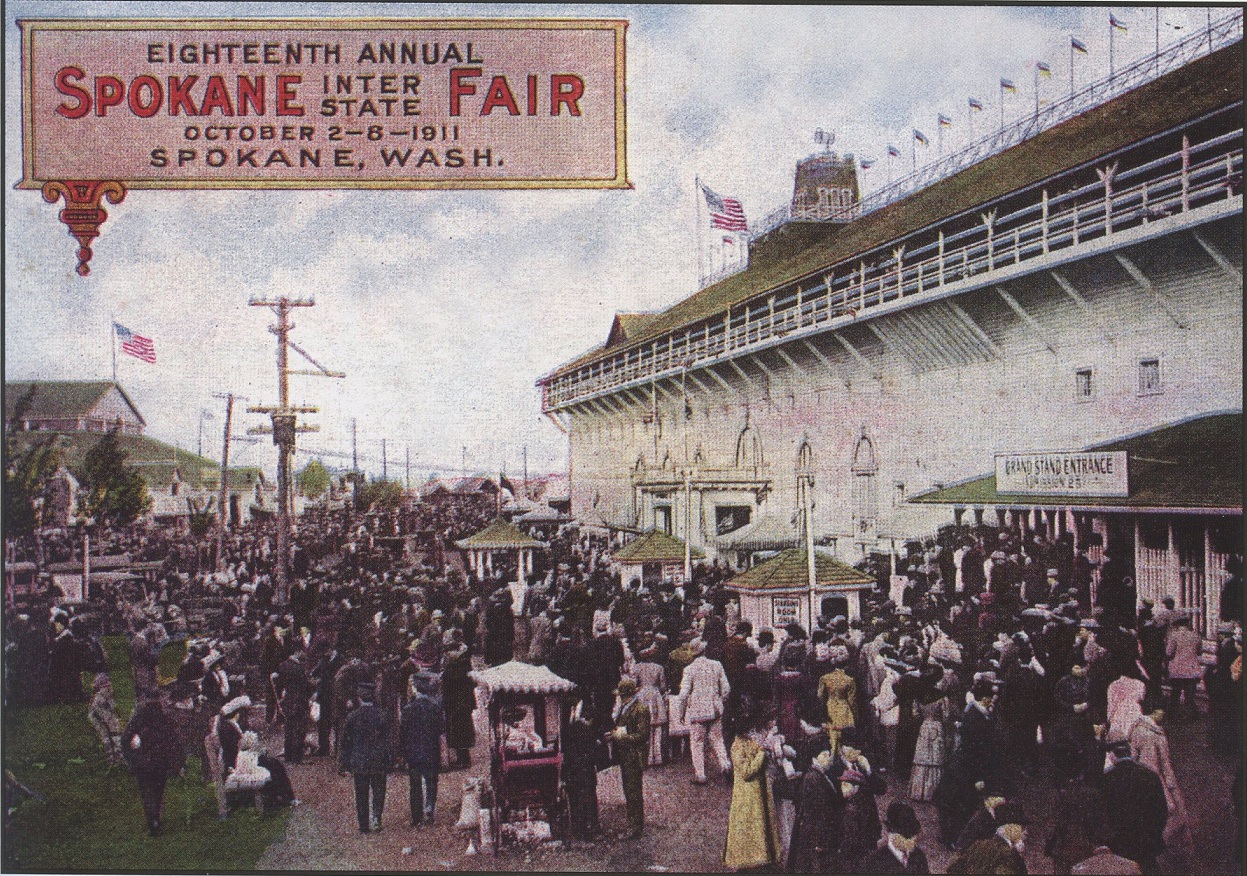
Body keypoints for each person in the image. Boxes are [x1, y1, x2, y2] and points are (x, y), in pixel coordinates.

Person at [723, 708, 782, 871]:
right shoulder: (737, 746)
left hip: (757, 791)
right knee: (751, 826)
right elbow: (747, 771)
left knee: (759, 825)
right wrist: (762, 751)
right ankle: (750, 859)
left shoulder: (748, 742)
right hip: (747, 794)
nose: (752, 732)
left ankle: (760, 858)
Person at [1098, 740, 1168, 873]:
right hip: (1148, 840)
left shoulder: (1105, 780)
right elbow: (1161, 811)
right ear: (1130, 752)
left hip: (1121, 843)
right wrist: (1154, 833)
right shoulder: (1150, 775)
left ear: (1112, 755)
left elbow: (1104, 814)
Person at [122, 692, 184, 836]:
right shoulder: (164, 720)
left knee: (147, 792)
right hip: (160, 763)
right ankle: (156, 817)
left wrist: (130, 760)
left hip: (142, 764)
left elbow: (125, 740)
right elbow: (174, 742)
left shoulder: (137, 721)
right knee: (158, 791)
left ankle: (153, 821)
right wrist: (177, 764)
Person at [676, 638, 731, 784]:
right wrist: (720, 700)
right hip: (714, 708)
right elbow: (726, 689)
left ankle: (700, 775)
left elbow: (683, 694)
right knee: (717, 739)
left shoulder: (689, 670)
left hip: (697, 710)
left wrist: (681, 713)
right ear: (705, 650)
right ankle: (725, 765)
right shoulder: (716, 665)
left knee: (697, 742)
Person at [340, 681, 391, 833]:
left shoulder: (352, 717)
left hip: (359, 760)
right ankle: (376, 817)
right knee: (379, 790)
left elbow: (345, 743)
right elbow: (389, 740)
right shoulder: (382, 715)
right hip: (378, 760)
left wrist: (344, 764)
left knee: (361, 793)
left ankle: (363, 824)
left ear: (359, 697)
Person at [786, 749, 845, 874]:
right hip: (816, 833)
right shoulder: (813, 778)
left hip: (815, 832)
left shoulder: (820, 775)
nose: (829, 759)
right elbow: (817, 811)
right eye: (826, 755)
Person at [400, 672, 444, 826]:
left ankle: (416, 816)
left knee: (415, 784)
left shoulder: (407, 709)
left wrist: (403, 754)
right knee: (431, 781)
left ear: (416, 690)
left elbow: (403, 733)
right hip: (431, 750)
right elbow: (441, 730)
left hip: (413, 752)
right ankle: (429, 807)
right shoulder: (435, 708)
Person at [611, 677, 650, 840]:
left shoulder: (640, 709)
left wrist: (619, 737)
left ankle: (635, 826)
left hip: (634, 755)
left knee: (633, 792)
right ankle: (634, 824)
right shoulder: (625, 708)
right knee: (629, 790)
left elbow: (642, 735)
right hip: (626, 755)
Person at [947, 802, 1029, 875]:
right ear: (1010, 828)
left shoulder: (977, 845)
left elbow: (953, 868)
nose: (1025, 832)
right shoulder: (1008, 854)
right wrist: (1017, 857)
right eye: (1022, 827)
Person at [562, 695, 602, 841]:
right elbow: (594, 753)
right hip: (586, 771)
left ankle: (578, 829)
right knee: (589, 800)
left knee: (575, 801)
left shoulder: (570, 729)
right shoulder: (587, 731)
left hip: (572, 771)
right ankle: (590, 829)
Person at [857, 801, 931, 874]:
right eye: (903, 836)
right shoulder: (873, 863)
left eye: (911, 836)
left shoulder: (919, 856)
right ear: (890, 831)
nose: (909, 842)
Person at [441, 631, 476, 769]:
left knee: (457, 730)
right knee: (463, 730)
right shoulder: (465, 661)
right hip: (464, 701)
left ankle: (463, 759)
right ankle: (463, 757)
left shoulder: (452, 665)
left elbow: (447, 682)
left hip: (456, 702)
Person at [1164, 614, 1202, 722]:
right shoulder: (1196, 635)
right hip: (1192, 670)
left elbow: (1169, 652)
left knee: (1175, 694)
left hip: (1177, 670)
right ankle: (1190, 717)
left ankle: (1172, 716)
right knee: (1189, 695)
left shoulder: (1174, 635)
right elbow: (1199, 652)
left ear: (1177, 624)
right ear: (1187, 623)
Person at [88, 673, 123, 766]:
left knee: (113, 734)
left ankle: (117, 756)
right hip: (101, 717)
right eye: (106, 687)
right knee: (109, 736)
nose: (110, 689)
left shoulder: (107, 699)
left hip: (105, 716)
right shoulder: (99, 700)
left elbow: (112, 709)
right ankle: (114, 758)